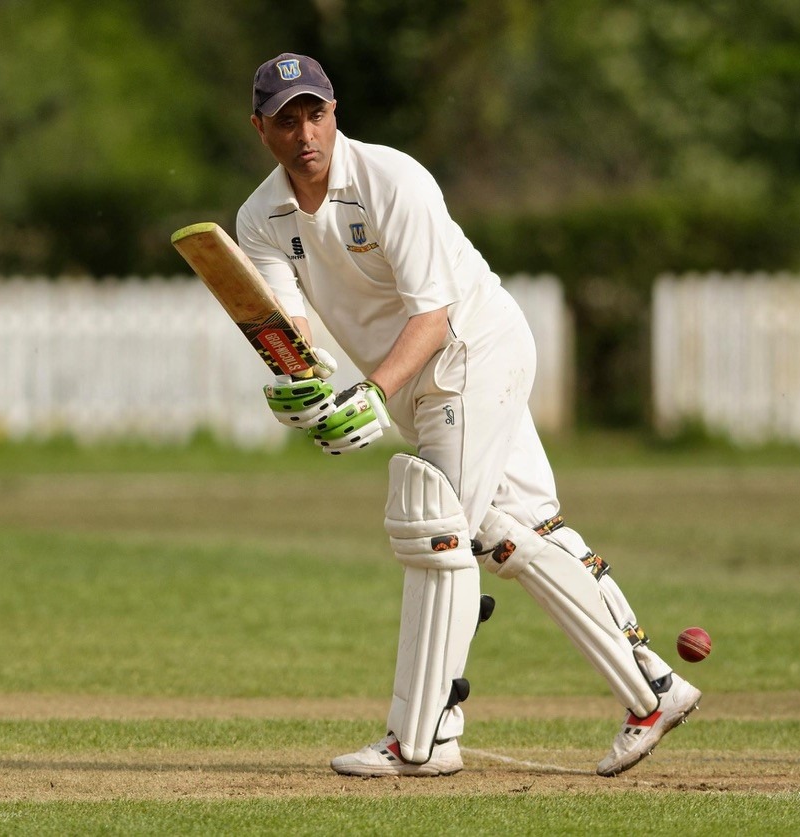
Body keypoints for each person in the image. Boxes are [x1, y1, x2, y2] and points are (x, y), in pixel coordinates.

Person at [236, 52, 701, 778]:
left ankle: (421, 737)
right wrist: (305, 389)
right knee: (512, 529)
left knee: (434, 524)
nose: (305, 134)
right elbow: (291, 328)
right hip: (419, 376)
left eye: (315, 114)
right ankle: (653, 688)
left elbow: (433, 315)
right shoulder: (258, 217)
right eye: (286, 120)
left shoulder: (393, 180)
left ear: (334, 113)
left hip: (470, 351)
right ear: (260, 128)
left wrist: (369, 394)